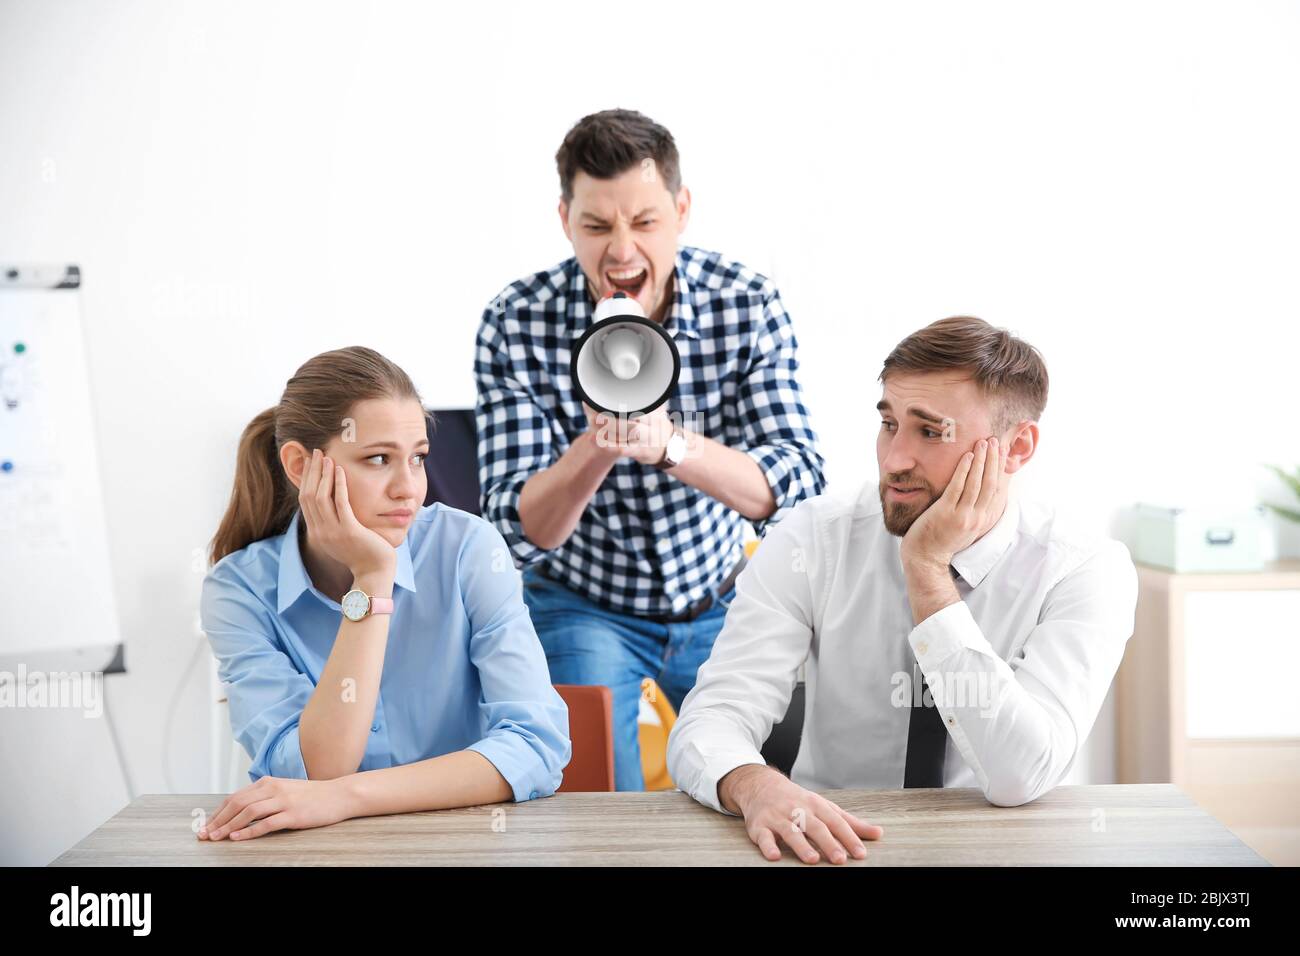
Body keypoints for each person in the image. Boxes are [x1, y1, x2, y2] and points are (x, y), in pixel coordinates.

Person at [667, 316, 1139, 863]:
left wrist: (928, 571)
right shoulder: (812, 538)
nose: (893, 461)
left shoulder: (1084, 570)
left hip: (1007, 853)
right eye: (889, 424)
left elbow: (1021, 775)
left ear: (1017, 448)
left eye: (930, 431)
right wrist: (756, 784)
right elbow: (711, 718)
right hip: (831, 848)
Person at [475, 108, 826, 791]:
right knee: (595, 801)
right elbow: (514, 534)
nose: (622, 251)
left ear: (682, 209)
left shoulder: (745, 304)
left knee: (767, 787)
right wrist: (599, 447)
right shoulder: (515, 321)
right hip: (584, 602)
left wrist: (667, 443)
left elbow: (799, 485)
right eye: (597, 226)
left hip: (720, 595)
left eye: (644, 222)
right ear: (564, 219)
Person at [198, 346, 569, 842]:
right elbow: (316, 771)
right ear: (299, 466)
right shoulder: (238, 589)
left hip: (476, 843)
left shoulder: (468, 549)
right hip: (328, 853)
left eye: (417, 458)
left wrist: (348, 798)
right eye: (378, 459)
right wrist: (372, 578)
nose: (409, 489)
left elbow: (536, 748)